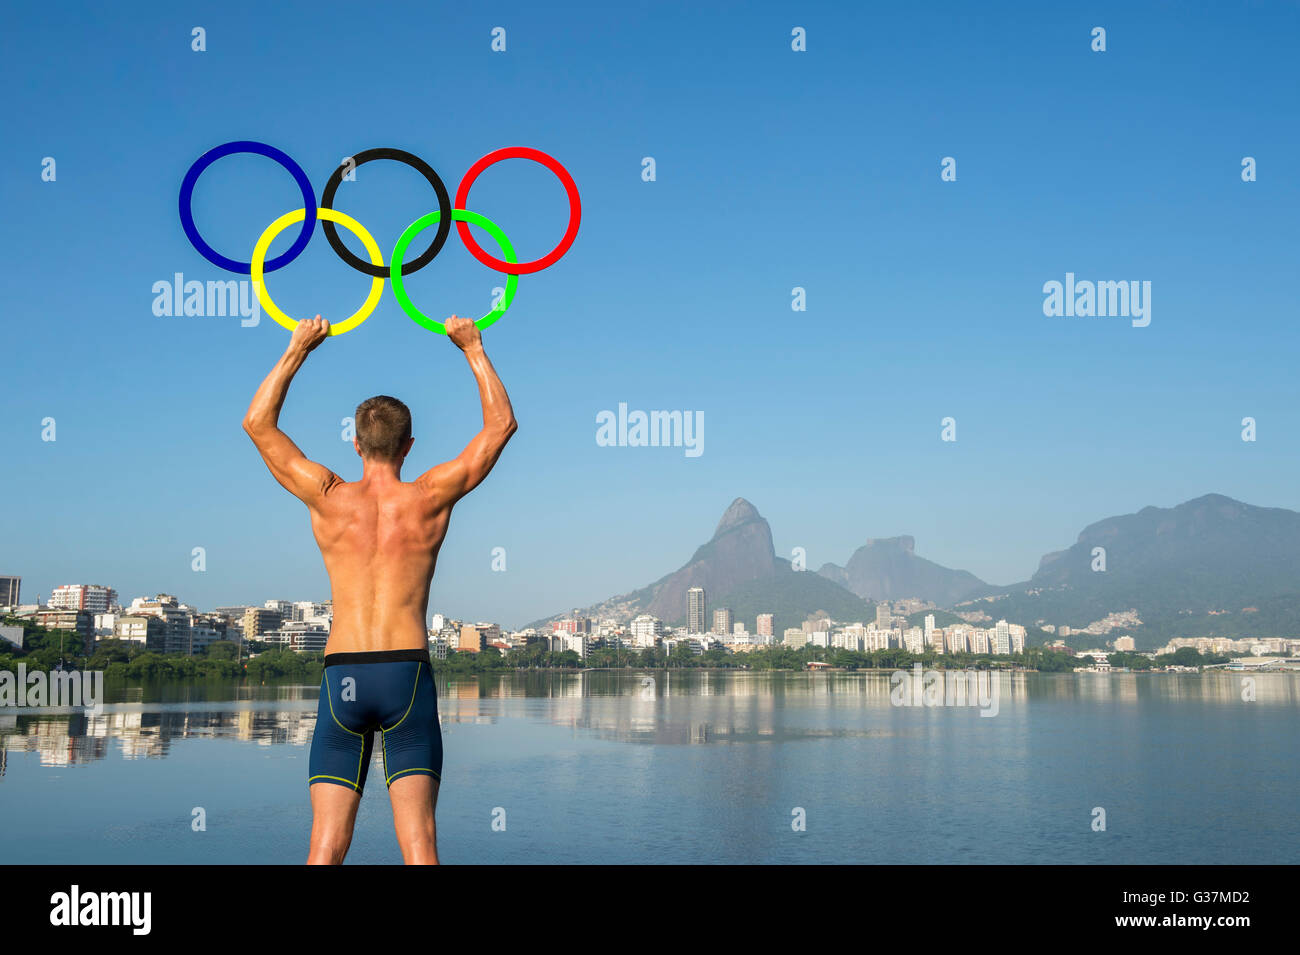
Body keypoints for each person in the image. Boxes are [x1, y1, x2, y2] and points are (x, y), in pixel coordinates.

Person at [242, 314, 517, 864]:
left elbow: (257, 424)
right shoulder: (430, 496)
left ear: (354, 442)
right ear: (409, 444)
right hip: (406, 676)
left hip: (342, 674)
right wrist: (472, 347)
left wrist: (299, 347)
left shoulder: (326, 495)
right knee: (420, 847)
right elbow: (500, 427)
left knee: (325, 848)